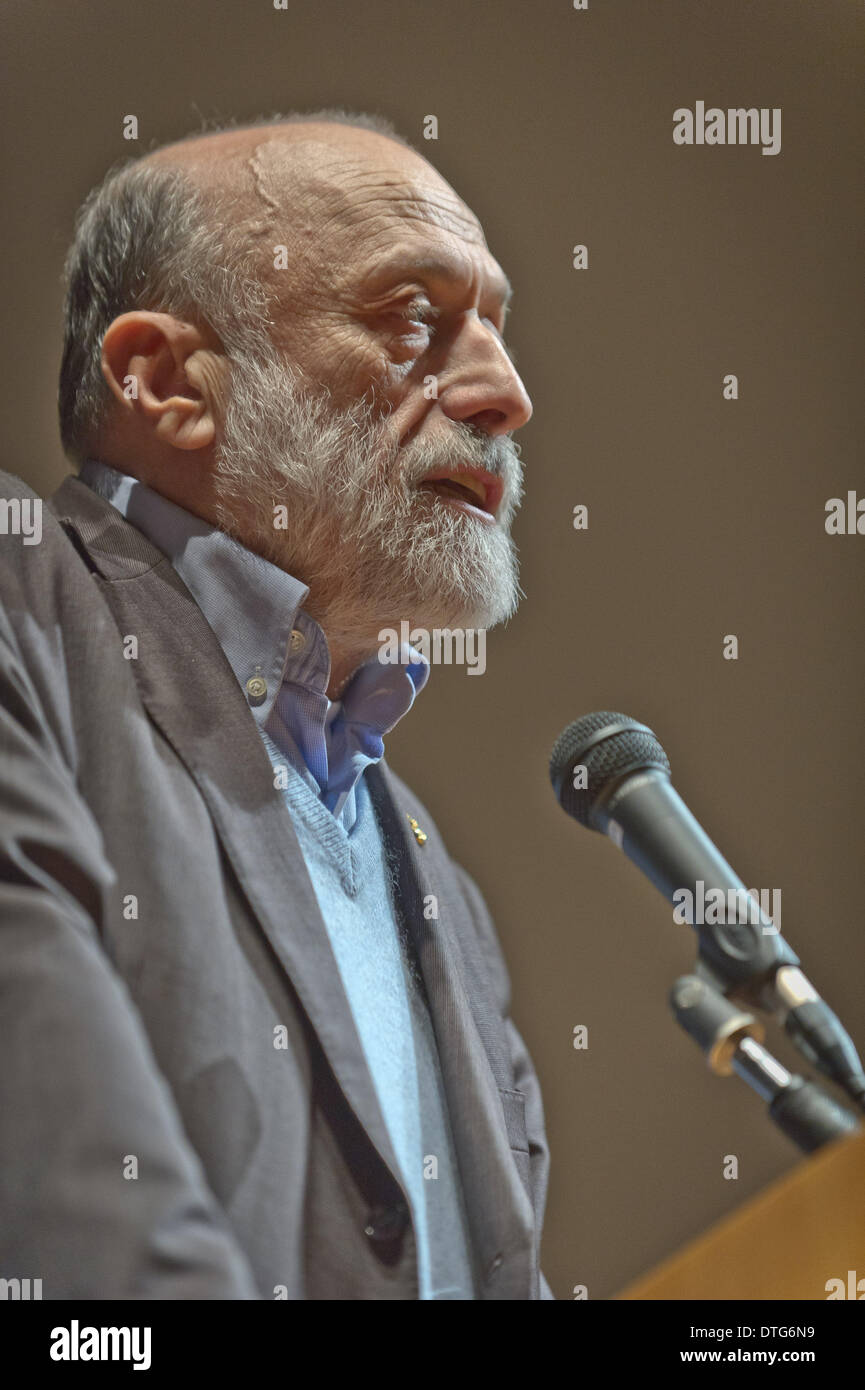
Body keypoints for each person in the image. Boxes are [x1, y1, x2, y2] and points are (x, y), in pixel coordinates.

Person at [0, 110, 552, 1300]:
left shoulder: (437, 885)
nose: (503, 393)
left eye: (496, 332)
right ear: (165, 380)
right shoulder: (20, 612)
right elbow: (71, 1221)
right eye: (415, 318)